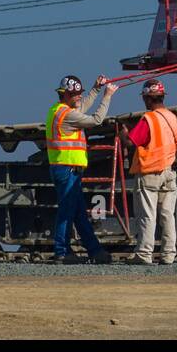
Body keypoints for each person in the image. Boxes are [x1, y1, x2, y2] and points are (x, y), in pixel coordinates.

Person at [46, 73, 117, 264]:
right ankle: (62, 251)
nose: (79, 96)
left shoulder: (58, 110)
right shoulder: (67, 115)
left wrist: (96, 88)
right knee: (67, 213)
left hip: (68, 170)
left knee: (78, 214)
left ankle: (95, 251)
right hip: (67, 169)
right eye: (75, 94)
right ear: (65, 94)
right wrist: (107, 96)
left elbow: (82, 107)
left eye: (79, 93)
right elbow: (95, 120)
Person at [123, 79, 177, 266]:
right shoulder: (172, 118)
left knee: (147, 215)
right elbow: (176, 142)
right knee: (167, 215)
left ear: (148, 99)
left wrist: (123, 134)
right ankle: (169, 254)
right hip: (168, 172)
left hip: (149, 173)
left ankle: (144, 254)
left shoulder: (149, 119)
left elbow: (132, 142)